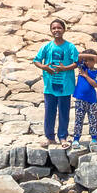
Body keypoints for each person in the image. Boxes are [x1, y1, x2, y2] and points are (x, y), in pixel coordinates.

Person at [32, 18, 79, 147]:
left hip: (65, 86)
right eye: (54, 28)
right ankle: (50, 138)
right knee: (49, 113)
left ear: (64, 30)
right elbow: (36, 60)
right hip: (50, 86)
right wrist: (43, 67)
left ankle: (63, 137)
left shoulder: (70, 47)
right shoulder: (47, 47)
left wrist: (65, 68)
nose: (56, 30)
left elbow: (77, 62)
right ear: (51, 31)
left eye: (59, 28)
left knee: (64, 113)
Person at [71, 50, 97, 150]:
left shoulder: (96, 72)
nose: (87, 63)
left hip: (92, 100)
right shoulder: (82, 67)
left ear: (95, 61)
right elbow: (77, 56)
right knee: (78, 120)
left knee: (92, 119)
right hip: (80, 99)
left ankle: (94, 139)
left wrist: (86, 76)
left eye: (90, 60)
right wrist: (90, 56)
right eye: (85, 60)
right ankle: (76, 139)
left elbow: (95, 84)